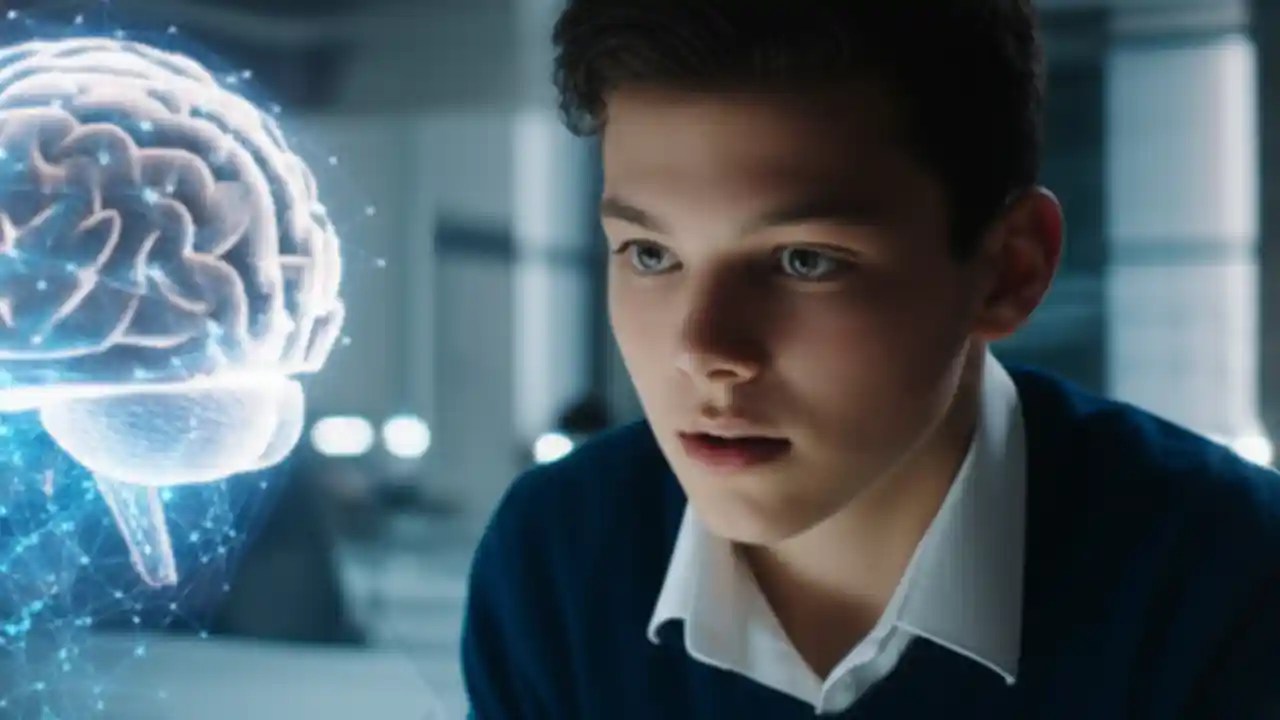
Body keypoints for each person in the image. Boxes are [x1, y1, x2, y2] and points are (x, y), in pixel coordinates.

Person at [461, 1, 1280, 717]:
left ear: (1009, 271)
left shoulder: (1232, 581)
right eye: (650, 254)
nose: (703, 352)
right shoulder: (557, 558)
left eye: (804, 261)